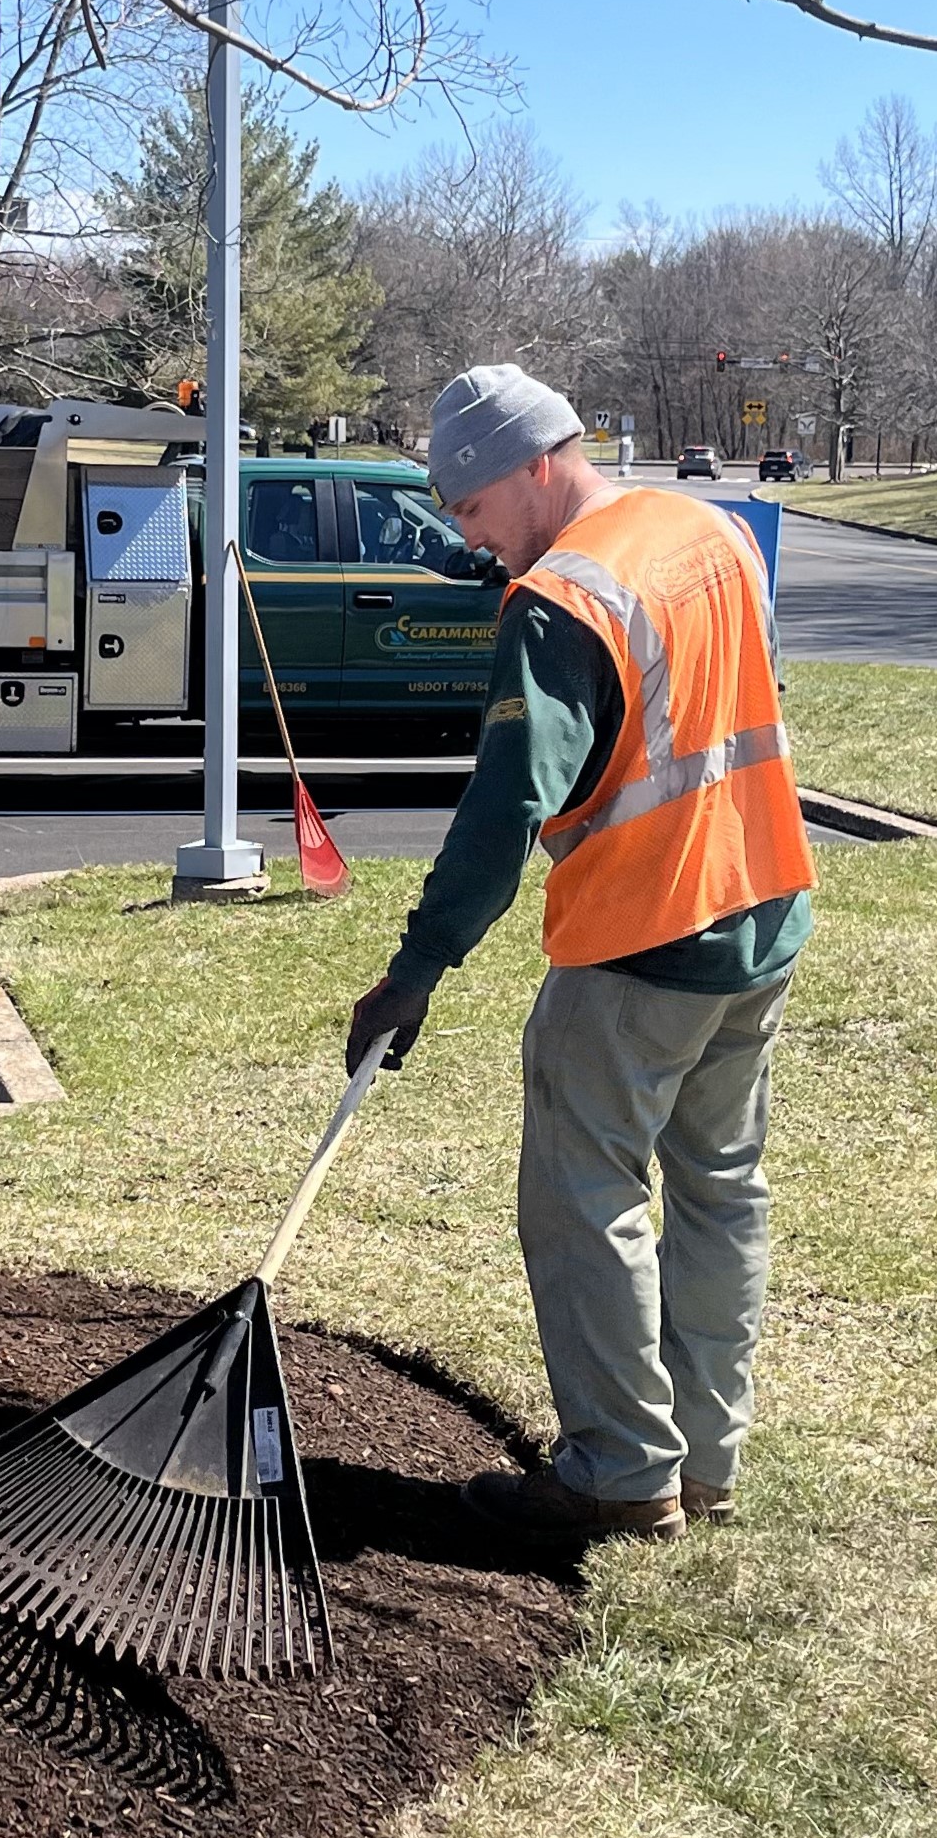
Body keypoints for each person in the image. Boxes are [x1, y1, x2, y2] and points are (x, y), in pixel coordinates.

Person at [347, 364, 816, 1545]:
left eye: (471, 506)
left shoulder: (561, 602)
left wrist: (415, 972)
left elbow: (503, 810)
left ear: (536, 465)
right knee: (720, 1191)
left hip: (640, 942)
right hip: (762, 912)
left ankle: (619, 1476)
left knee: (584, 1199)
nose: (471, 536)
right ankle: (706, 1464)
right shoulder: (708, 532)